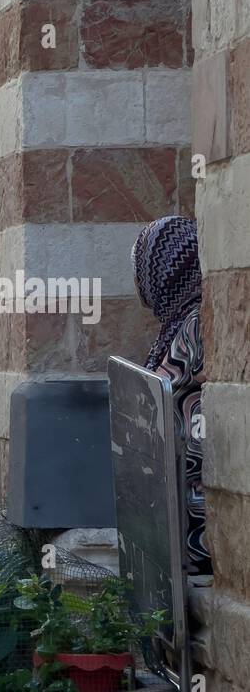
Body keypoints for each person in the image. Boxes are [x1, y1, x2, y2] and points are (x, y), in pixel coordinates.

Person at [132, 215, 210, 575]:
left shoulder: (194, 327)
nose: (138, 284)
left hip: (198, 518)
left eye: (141, 269)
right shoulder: (180, 324)